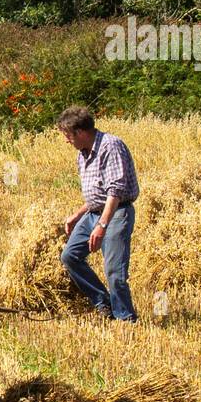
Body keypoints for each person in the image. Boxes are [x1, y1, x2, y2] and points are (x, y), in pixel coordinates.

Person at [57, 105, 140, 322]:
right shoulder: (83, 155)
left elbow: (115, 191)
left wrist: (102, 226)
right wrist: (77, 215)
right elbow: (96, 195)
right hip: (93, 212)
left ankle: (125, 318)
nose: (67, 140)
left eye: (68, 135)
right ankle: (103, 302)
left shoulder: (111, 146)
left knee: (114, 271)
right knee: (70, 257)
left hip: (115, 214)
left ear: (80, 132)